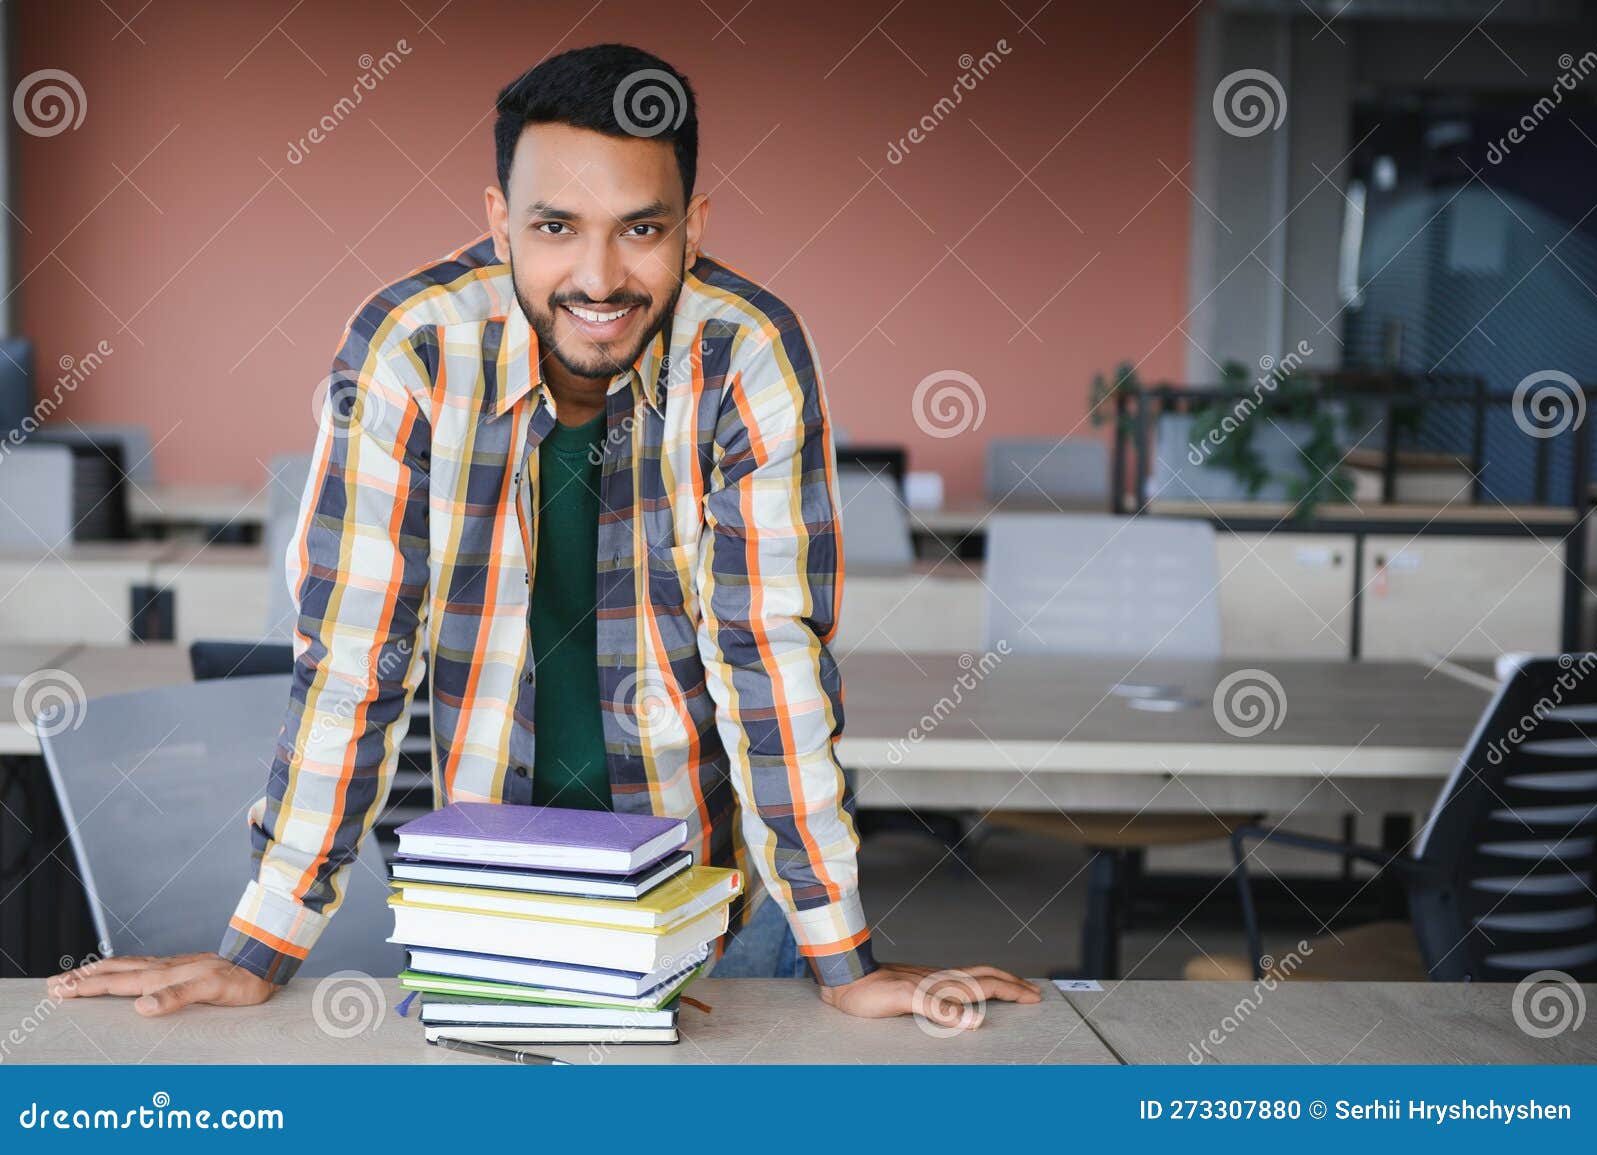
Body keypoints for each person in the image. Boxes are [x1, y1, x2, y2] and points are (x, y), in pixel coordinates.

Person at [50, 43, 1039, 1027]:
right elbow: (356, 657)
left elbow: (769, 660)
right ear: (498, 220)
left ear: (692, 227)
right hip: (491, 907)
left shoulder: (747, 352)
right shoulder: (415, 351)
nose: (598, 276)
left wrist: (843, 957)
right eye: (555, 227)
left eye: (640, 228)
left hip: (712, 915)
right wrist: (261, 946)